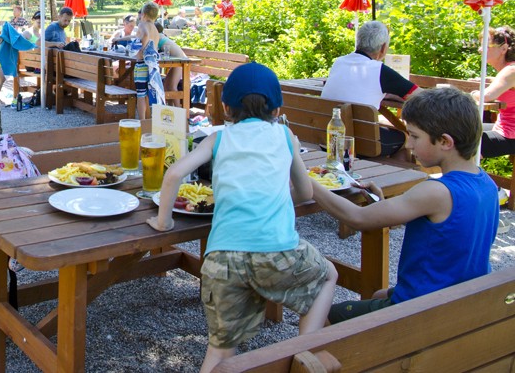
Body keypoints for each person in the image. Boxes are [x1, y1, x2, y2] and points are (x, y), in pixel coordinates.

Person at [148, 62, 337, 372]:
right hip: (278, 252)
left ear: (225, 107)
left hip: (222, 259)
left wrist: (163, 222)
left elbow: (174, 175)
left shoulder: (218, 138)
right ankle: (304, 352)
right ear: (277, 109)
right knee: (327, 275)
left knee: (221, 350)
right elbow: (305, 194)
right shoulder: (286, 136)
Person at [311, 87, 499, 324]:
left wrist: (307, 181)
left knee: (322, 316)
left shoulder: (437, 192)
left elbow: (357, 218)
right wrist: (380, 202)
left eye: (415, 136)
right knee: (379, 294)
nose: (408, 144)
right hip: (460, 298)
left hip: (423, 310)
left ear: (445, 141)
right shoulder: (487, 185)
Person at [320, 20, 419, 158]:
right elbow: (420, 95)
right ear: (383, 47)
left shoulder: (339, 62)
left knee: (382, 135)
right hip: (361, 144)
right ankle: (400, 176)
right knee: (404, 138)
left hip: (328, 139)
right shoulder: (380, 71)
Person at [472, 26, 515, 159]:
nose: (480, 50)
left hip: (510, 134)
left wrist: (473, 93)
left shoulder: (511, 71)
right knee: (459, 131)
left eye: (486, 45)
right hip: (504, 128)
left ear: (503, 49)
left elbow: (486, 96)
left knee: (461, 144)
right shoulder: (507, 70)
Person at [133, 2, 164, 120]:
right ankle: (152, 120)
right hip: (153, 65)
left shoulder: (142, 24)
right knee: (151, 93)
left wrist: (141, 47)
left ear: (144, 14)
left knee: (141, 94)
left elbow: (144, 35)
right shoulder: (155, 28)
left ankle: (142, 121)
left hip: (142, 63)